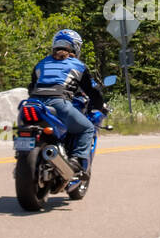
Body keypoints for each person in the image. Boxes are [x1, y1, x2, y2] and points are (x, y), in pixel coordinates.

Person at [28, 29, 107, 176]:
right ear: (75, 47)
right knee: (88, 128)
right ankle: (76, 160)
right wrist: (100, 106)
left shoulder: (41, 63)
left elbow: (32, 86)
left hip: (33, 103)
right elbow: (92, 90)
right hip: (58, 103)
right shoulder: (77, 65)